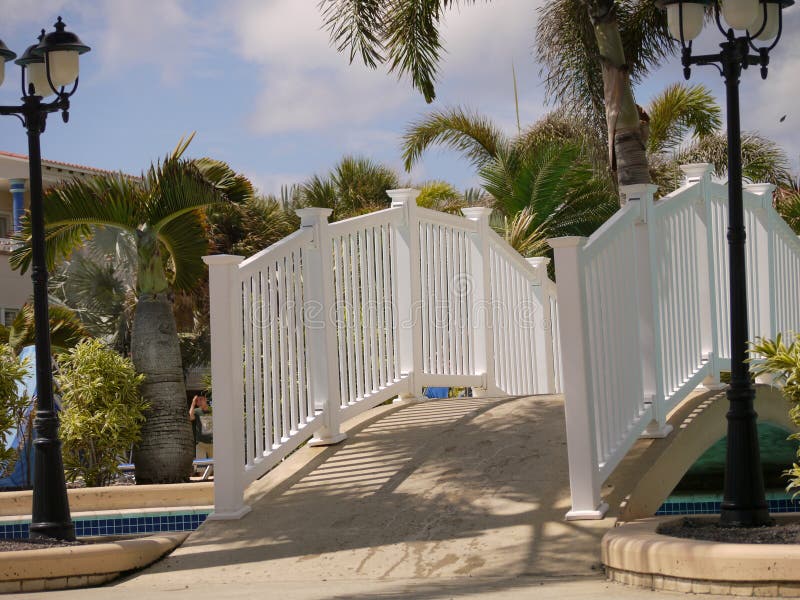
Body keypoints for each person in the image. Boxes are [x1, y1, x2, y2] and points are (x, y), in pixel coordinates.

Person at [189, 394, 213, 460]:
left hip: (213, 443)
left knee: (215, 467)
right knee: (200, 467)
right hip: (201, 443)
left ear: (205, 399)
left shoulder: (213, 410)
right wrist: (193, 404)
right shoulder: (197, 411)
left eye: (201, 399)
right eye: (197, 401)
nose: (199, 402)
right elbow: (190, 417)